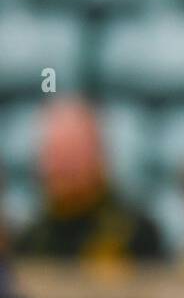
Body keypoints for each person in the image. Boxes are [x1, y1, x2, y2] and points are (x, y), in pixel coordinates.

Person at [16, 98, 162, 269]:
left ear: (100, 155)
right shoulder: (29, 241)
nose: (63, 165)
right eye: (55, 153)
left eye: (73, 153)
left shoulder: (137, 235)